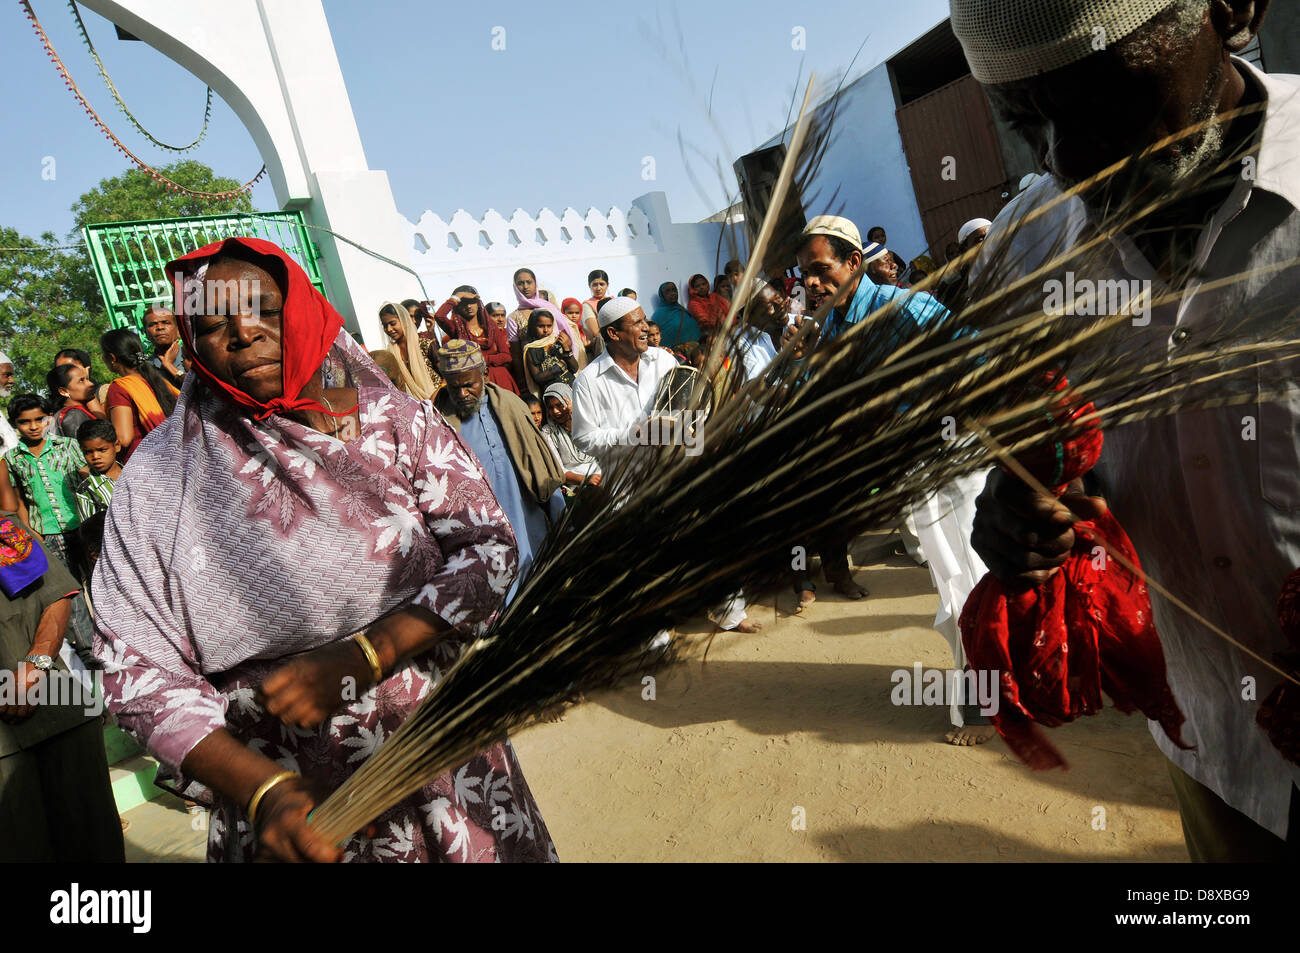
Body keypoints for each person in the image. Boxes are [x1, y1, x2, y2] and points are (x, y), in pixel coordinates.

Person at [954, 0, 1300, 859]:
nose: (1067, 160)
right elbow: (1050, 454)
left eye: (1101, 95)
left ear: (1233, 9)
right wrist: (1028, 506)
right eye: (1029, 120)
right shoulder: (1026, 256)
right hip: (1215, 755)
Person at [92, 236, 555, 863]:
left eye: (261, 308)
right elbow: (132, 666)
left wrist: (371, 652)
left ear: (304, 312)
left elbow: (490, 549)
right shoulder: (158, 479)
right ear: (190, 341)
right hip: (287, 798)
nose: (243, 333)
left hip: (443, 755)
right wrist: (262, 791)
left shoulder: (395, 422)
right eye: (212, 323)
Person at [783, 216, 948, 605]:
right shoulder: (832, 329)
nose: (809, 283)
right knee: (952, 586)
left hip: (943, 463)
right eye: (804, 273)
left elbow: (976, 359)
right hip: (903, 471)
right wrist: (802, 361)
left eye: (820, 269)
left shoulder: (906, 307)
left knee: (969, 570)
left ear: (854, 262)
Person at [572, 298, 758, 633]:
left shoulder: (664, 361)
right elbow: (585, 438)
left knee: (709, 537)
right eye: (637, 323)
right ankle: (654, 634)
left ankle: (732, 611)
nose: (646, 328)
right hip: (630, 484)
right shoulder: (588, 380)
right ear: (613, 333)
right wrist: (634, 434)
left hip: (678, 472)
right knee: (644, 558)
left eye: (645, 321)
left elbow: (694, 406)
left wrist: (691, 438)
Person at [0, 514, 123, 861]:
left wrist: (36, 664)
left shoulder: (5, 529)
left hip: (57, 699)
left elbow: (59, 595)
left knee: (95, 841)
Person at [433, 339, 565, 590]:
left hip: (527, 519)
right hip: (480, 532)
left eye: (469, 385)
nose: (462, 394)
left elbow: (540, 467)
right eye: (454, 387)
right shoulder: (440, 422)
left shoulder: (512, 406)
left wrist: (560, 518)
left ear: (484, 374)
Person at [4, 394, 96, 667]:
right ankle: (88, 651)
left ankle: (115, 637)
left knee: (99, 582)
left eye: (39, 420)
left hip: (81, 526)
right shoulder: (13, 459)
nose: (33, 426)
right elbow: (19, 499)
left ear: (48, 419)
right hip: (48, 534)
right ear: (15, 424)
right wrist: (32, 532)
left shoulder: (68, 446)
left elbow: (87, 479)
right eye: (25, 422)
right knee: (70, 594)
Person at [100, 328, 179, 462]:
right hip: (173, 454)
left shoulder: (120, 388)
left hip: (146, 464)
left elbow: (124, 438)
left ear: (112, 358)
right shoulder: (156, 379)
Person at [429, 287, 518, 395]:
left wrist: (479, 359)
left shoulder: (491, 327)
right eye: (463, 303)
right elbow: (439, 316)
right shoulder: (456, 329)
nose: (468, 306)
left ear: (478, 303)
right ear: (457, 307)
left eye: (472, 302)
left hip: (499, 378)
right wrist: (457, 296)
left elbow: (506, 356)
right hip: (472, 381)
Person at [540, 382, 602, 492]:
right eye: (550, 407)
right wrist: (585, 480)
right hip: (573, 484)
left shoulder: (588, 420)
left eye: (560, 405)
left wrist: (575, 416)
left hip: (600, 473)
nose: (555, 411)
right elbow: (559, 470)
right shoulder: (548, 432)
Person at [379, 302, 441, 400]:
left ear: (404, 321)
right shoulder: (390, 355)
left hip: (439, 401)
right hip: (415, 408)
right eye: (385, 325)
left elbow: (448, 376)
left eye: (393, 323)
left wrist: (433, 399)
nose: (389, 329)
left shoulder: (425, 345)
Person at [73, 418, 121, 523]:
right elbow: (91, 532)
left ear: (116, 446)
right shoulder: (86, 492)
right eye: (88, 452)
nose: (95, 456)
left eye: (102, 450)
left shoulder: (135, 472)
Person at [521, 308, 578, 395]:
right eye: (541, 326)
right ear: (533, 327)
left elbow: (574, 368)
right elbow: (538, 378)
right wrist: (559, 366)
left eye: (549, 326)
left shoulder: (559, 341)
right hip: (553, 392)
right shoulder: (531, 349)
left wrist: (567, 349)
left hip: (571, 386)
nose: (546, 330)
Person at [46, 363, 100, 439]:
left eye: (87, 379)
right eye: (81, 381)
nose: (90, 384)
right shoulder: (75, 415)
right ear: (63, 391)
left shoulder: (65, 413)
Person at [143, 304, 185, 387]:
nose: (160, 327)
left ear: (178, 330)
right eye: (152, 324)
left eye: (166, 323)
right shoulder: (145, 368)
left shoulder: (195, 358)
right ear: (146, 334)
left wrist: (168, 365)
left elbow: (201, 389)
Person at [651, 281, 701, 350]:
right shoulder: (659, 315)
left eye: (674, 290)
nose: (672, 293)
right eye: (667, 292)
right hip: (677, 353)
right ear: (662, 296)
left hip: (696, 346)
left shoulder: (681, 309)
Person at [580, 269, 611, 340]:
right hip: (601, 345)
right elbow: (595, 332)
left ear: (607, 285)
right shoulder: (587, 306)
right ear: (589, 286)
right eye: (595, 285)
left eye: (602, 284)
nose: (598, 288)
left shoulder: (613, 300)